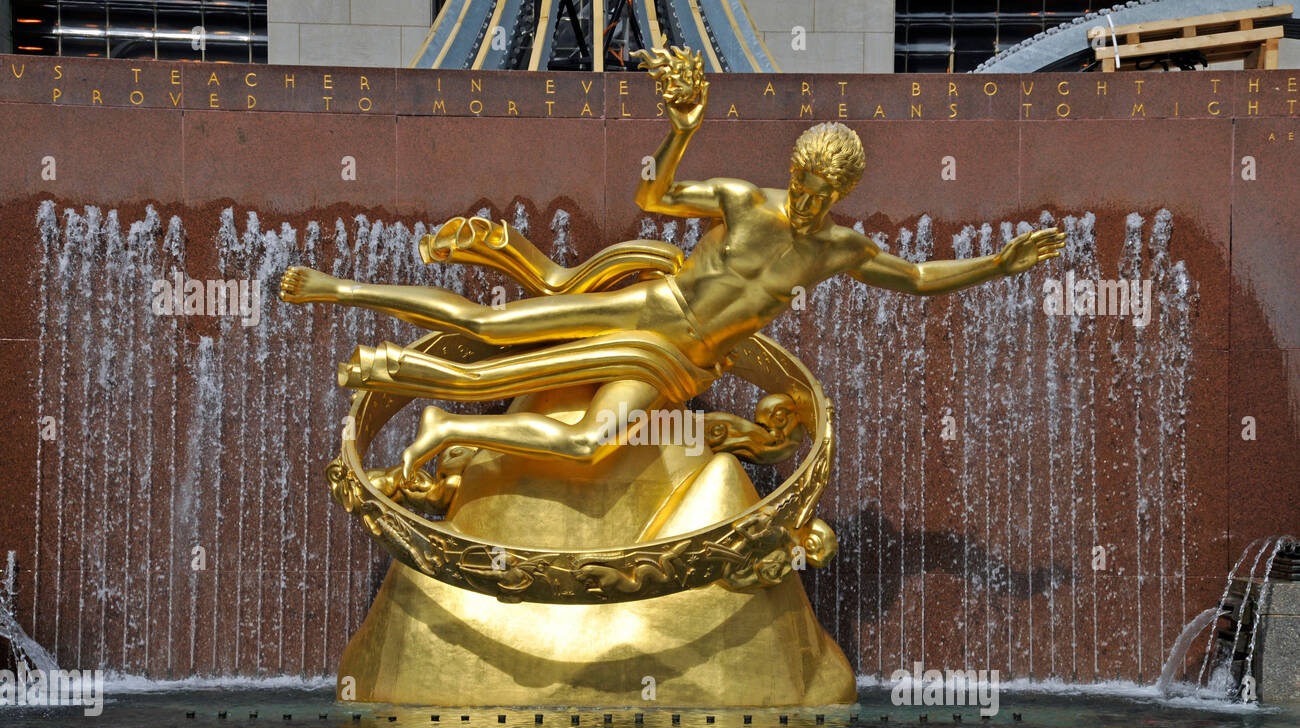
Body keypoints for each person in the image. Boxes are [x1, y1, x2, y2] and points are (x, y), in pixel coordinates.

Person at [279, 47, 1063, 482]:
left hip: (679, 371)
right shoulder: (743, 200)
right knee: (491, 328)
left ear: (843, 190)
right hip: (648, 311)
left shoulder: (837, 251)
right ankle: (340, 291)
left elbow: (919, 279)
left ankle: (442, 424)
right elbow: (653, 193)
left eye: (821, 191)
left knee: (590, 445)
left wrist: (1000, 262)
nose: (804, 198)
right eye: (799, 181)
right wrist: (682, 128)